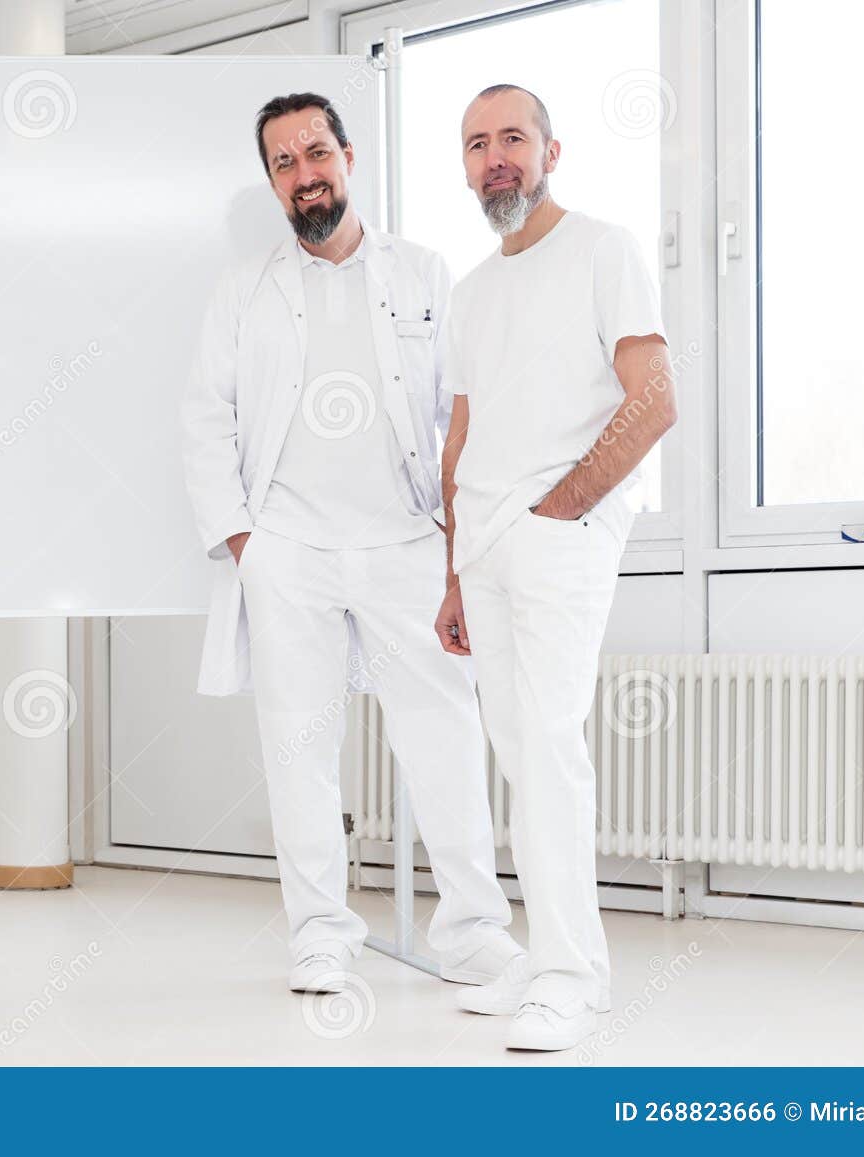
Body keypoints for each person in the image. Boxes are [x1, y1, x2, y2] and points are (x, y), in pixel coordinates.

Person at [182, 93, 519, 995]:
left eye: (316, 153)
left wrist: (458, 546)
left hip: (406, 539)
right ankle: (322, 934)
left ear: (349, 156)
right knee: (299, 745)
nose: (304, 174)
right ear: (271, 183)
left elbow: (463, 409)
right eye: (284, 164)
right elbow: (206, 421)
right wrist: (249, 544)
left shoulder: (423, 273)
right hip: (287, 548)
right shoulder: (242, 292)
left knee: (444, 733)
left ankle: (476, 931)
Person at [435, 84, 677, 1051]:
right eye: (476, 143)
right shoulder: (470, 292)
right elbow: (461, 440)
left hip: (556, 536)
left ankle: (569, 977)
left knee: (547, 747)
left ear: (551, 151)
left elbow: (654, 399)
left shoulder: (603, 249)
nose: (495, 157)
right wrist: (455, 571)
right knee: (521, 756)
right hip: (485, 547)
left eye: (513, 139)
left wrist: (565, 505)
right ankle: (555, 959)